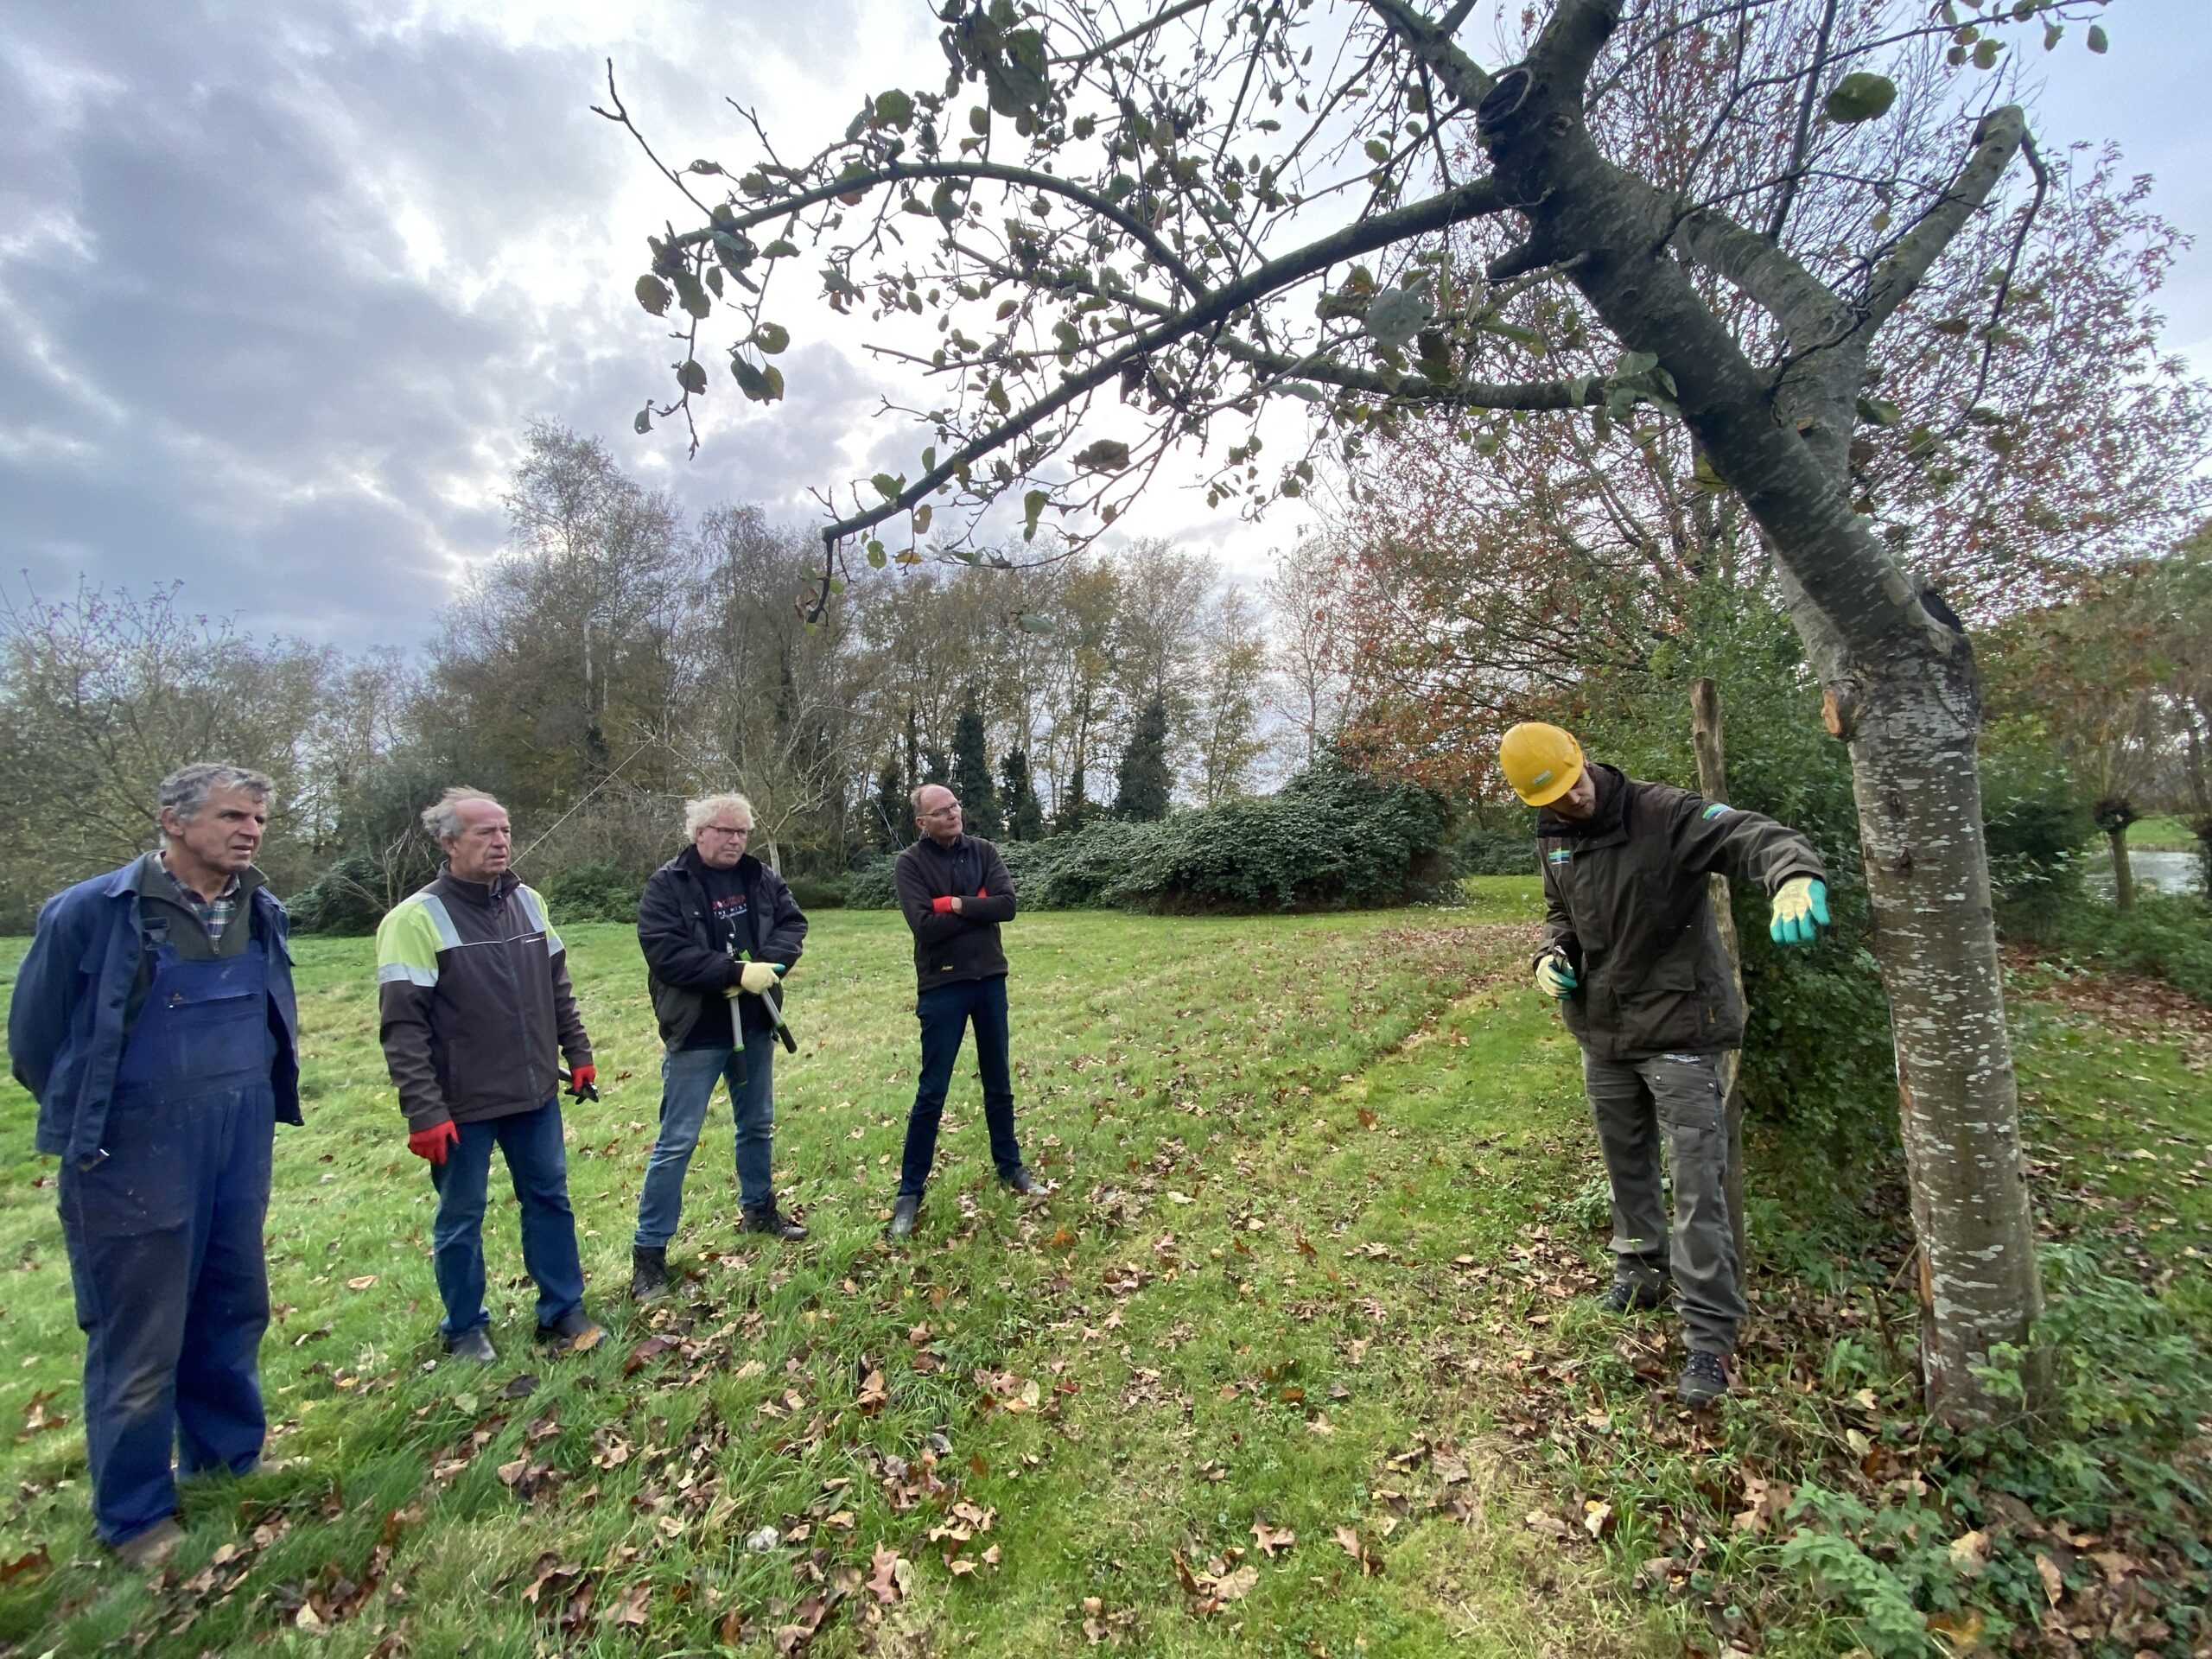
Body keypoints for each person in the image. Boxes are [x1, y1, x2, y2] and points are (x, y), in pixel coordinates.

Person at [7, 764, 301, 1570]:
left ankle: (229, 1456)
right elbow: (36, 1044)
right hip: (131, 1150)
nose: (250, 831)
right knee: (140, 1335)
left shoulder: (259, 912)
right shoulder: (90, 914)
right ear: (172, 821)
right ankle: (134, 1516)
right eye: (233, 816)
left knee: (231, 1305)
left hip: (237, 1137)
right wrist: (112, 1120)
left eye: (258, 821)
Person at [1500, 721, 1830, 1406]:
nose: (1573, 804)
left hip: (1680, 1023)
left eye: (1575, 786)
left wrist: (1793, 873)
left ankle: (1709, 1336)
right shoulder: (1553, 834)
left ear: (1582, 760)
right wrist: (1550, 955)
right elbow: (1558, 913)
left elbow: (1749, 835)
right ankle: (1642, 1272)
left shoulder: (1665, 813)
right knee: (1626, 1166)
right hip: (1603, 1030)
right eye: (1554, 802)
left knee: (1697, 1185)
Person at [375, 788, 602, 1363]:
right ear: (449, 842)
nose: (500, 841)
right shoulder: (414, 920)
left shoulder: (529, 901)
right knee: (461, 1216)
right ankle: (464, 1328)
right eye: (485, 833)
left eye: (505, 831)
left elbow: (558, 988)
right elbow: (403, 1028)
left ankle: (562, 1309)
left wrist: (578, 1055)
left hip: (533, 1094)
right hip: (461, 1105)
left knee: (549, 1199)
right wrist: (424, 1111)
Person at [629, 792, 810, 1301]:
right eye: (724, 831)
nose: (734, 840)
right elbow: (665, 952)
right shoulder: (668, 885)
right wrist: (729, 974)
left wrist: (765, 970)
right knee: (677, 1141)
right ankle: (649, 1254)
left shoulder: (759, 877)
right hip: (696, 1032)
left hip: (754, 1024)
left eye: (742, 832)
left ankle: (759, 1209)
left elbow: (793, 924)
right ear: (698, 832)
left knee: (756, 1123)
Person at [887, 784, 1036, 1237]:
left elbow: (1007, 906)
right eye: (941, 811)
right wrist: (978, 907)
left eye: (954, 806)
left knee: (999, 1082)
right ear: (922, 823)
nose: (953, 814)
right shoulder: (910, 864)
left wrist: (953, 903)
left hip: (989, 979)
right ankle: (910, 1193)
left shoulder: (984, 850)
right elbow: (925, 927)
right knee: (932, 1092)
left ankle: (1010, 1168)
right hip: (942, 986)